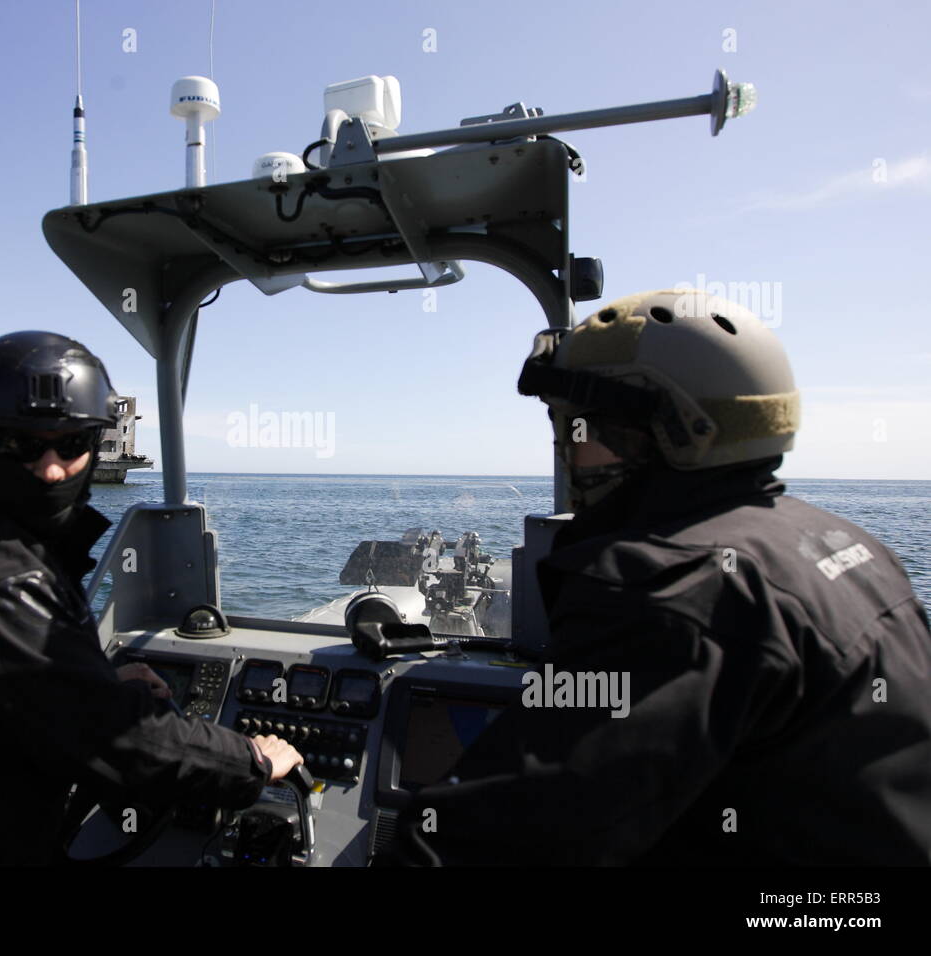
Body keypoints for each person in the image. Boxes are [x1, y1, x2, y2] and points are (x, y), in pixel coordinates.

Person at [389, 289, 931, 865]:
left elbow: (496, 842)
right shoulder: (845, 543)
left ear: (677, 431)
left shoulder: (676, 589)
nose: (567, 454)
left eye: (581, 432)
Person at [0, 331, 302, 865]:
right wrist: (251, 760)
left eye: (71, 444)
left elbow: (14, 697)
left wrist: (90, 685)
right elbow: (118, 739)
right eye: (22, 444)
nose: (51, 468)